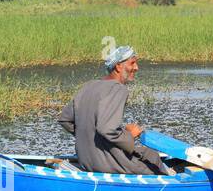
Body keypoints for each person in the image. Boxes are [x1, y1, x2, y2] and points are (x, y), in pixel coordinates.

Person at [58, 45, 172, 175]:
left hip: (86, 160)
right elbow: (107, 129)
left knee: (147, 153)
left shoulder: (89, 86)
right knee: (153, 159)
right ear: (118, 66)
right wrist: (130, 135)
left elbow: (65, 119)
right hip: (106, 164)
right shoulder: (117, 89)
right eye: (132, 63)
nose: (136, 67)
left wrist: (88, 135)